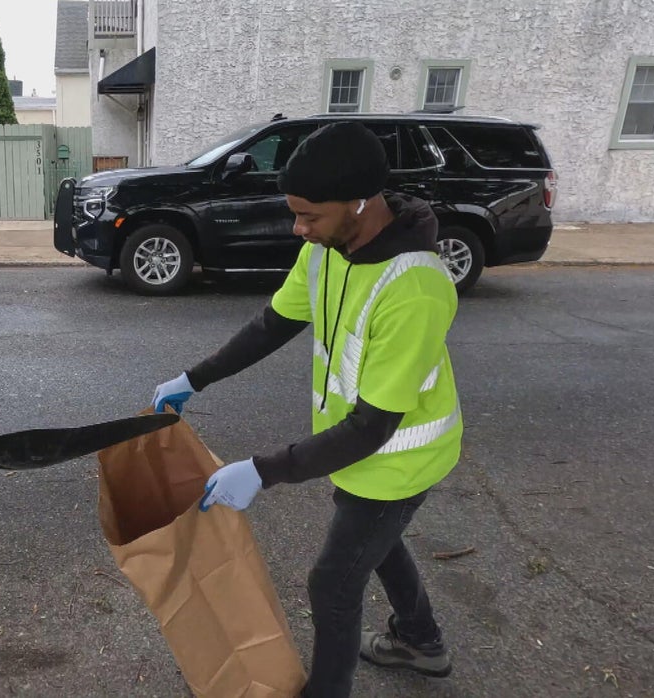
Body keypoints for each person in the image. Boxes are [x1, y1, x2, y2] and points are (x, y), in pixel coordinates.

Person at [151, 122, 461, 698]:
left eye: (309, 216)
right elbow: (273, 324)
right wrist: (195, 379)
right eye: (294, 213)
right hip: (354, 450)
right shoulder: (326, 250)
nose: (298, 228)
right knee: (378, 544)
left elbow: (372, 426)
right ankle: (422, 642)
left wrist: (262, 470)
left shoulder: (414, 288)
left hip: (399, 459)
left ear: (359, 203)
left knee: (333, 584)